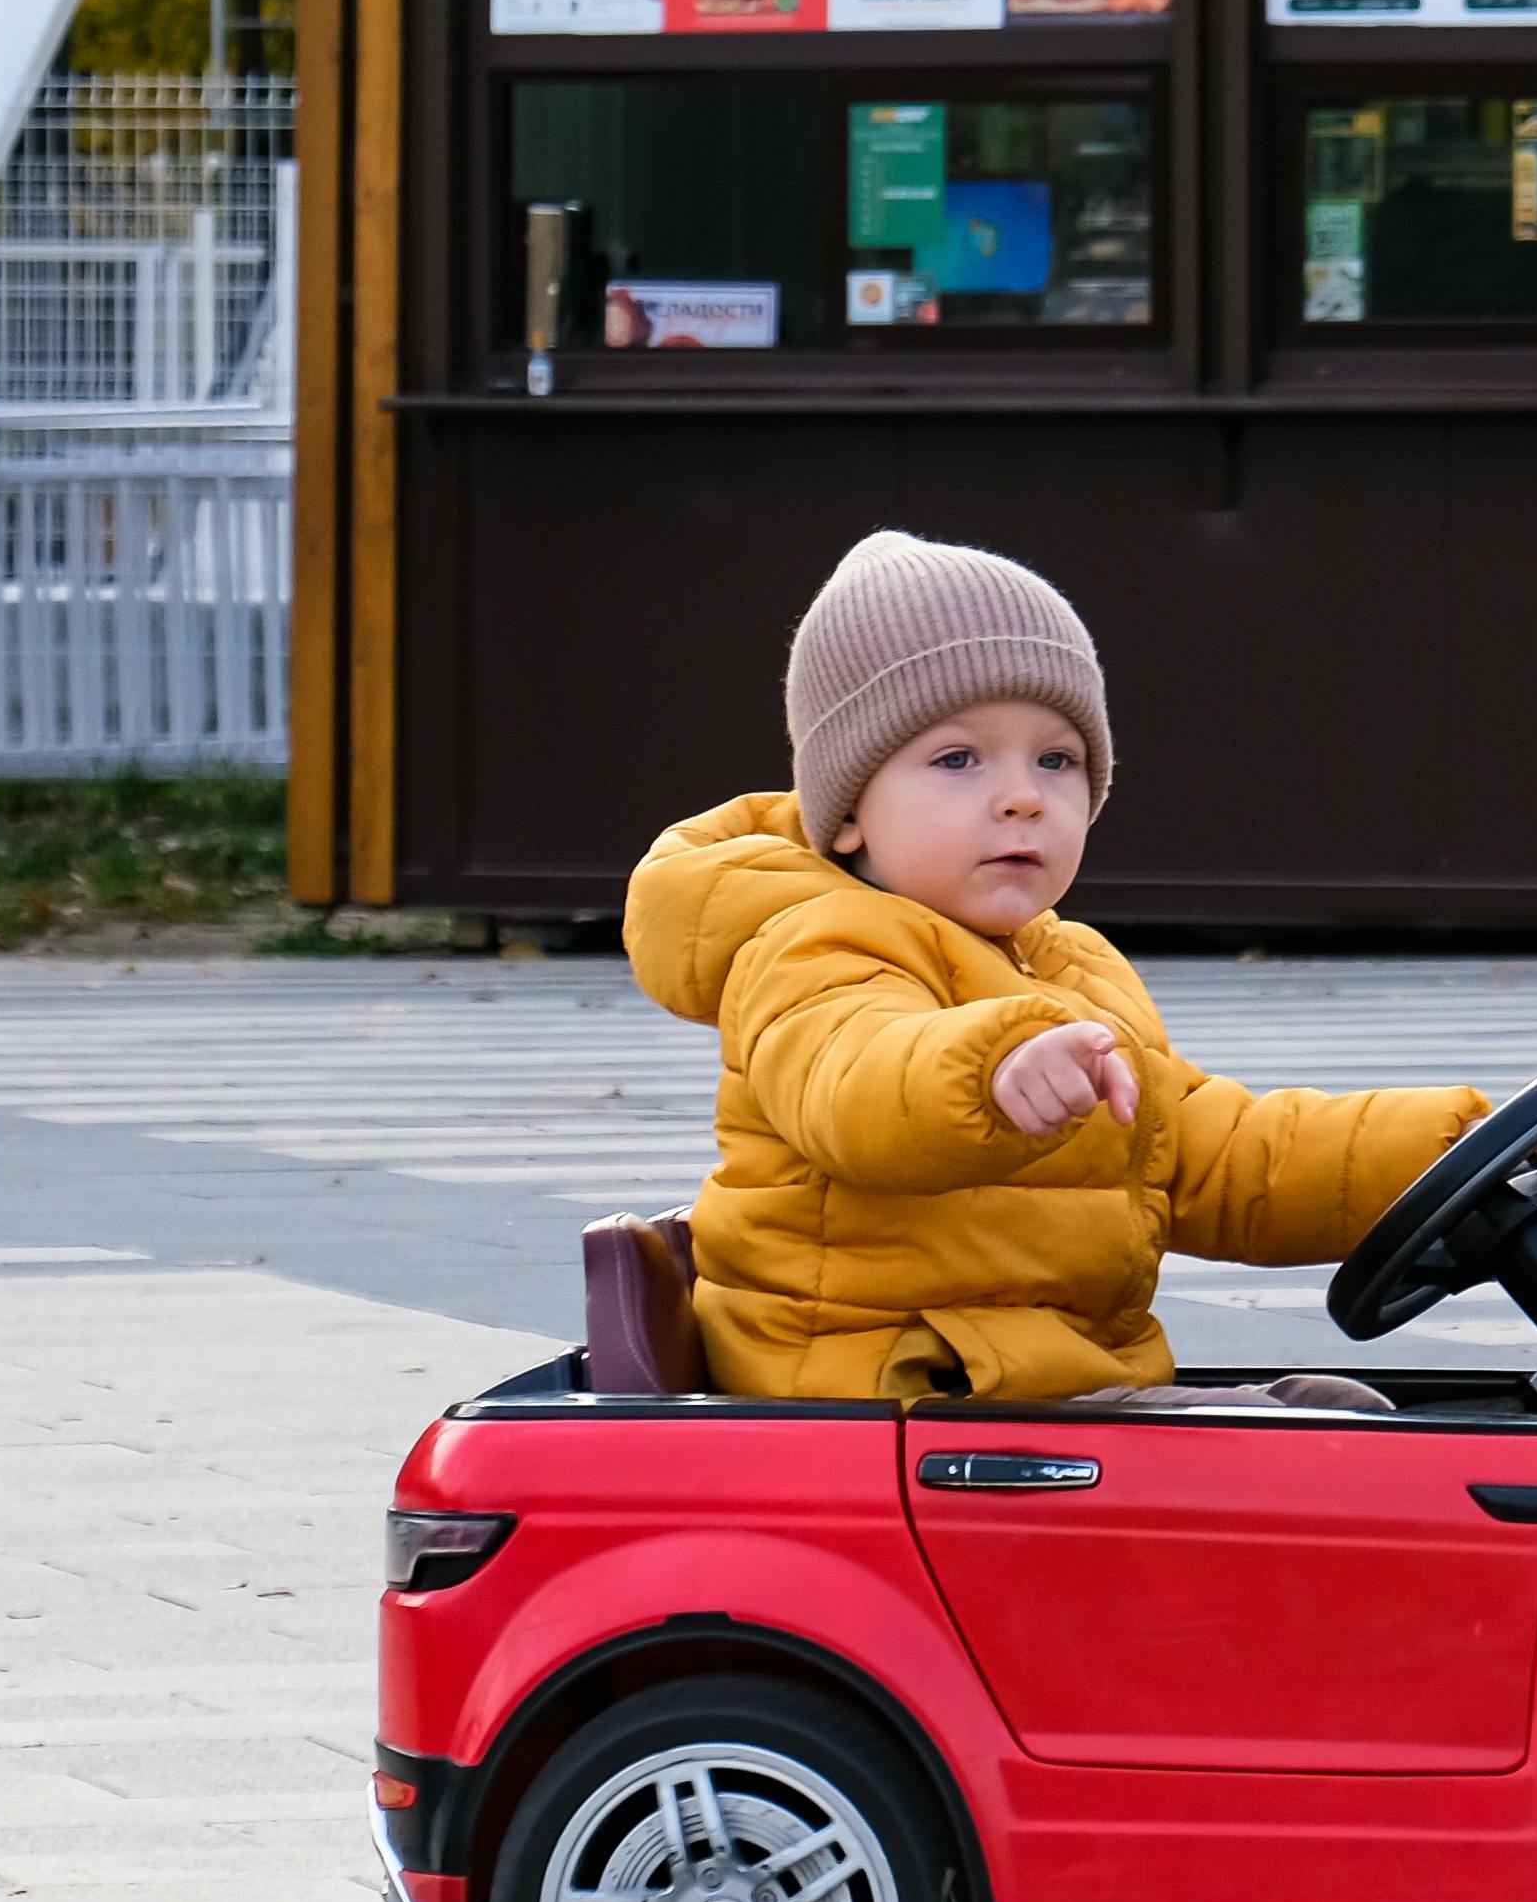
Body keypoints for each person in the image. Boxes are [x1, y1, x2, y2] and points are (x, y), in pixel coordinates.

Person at [627, 530, 1491, 1401]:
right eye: (958, 759)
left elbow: (1208, 1154)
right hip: (892, 1388)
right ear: (847, 813)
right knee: (1314, 1455)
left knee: (1340, 1425)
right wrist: (988, 1070)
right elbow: (853, 1081)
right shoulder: (815, 943)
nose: (1023, 795)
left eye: (1058, 759)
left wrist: (1453, 1152)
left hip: (1029, 1380)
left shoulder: (1070, 964)